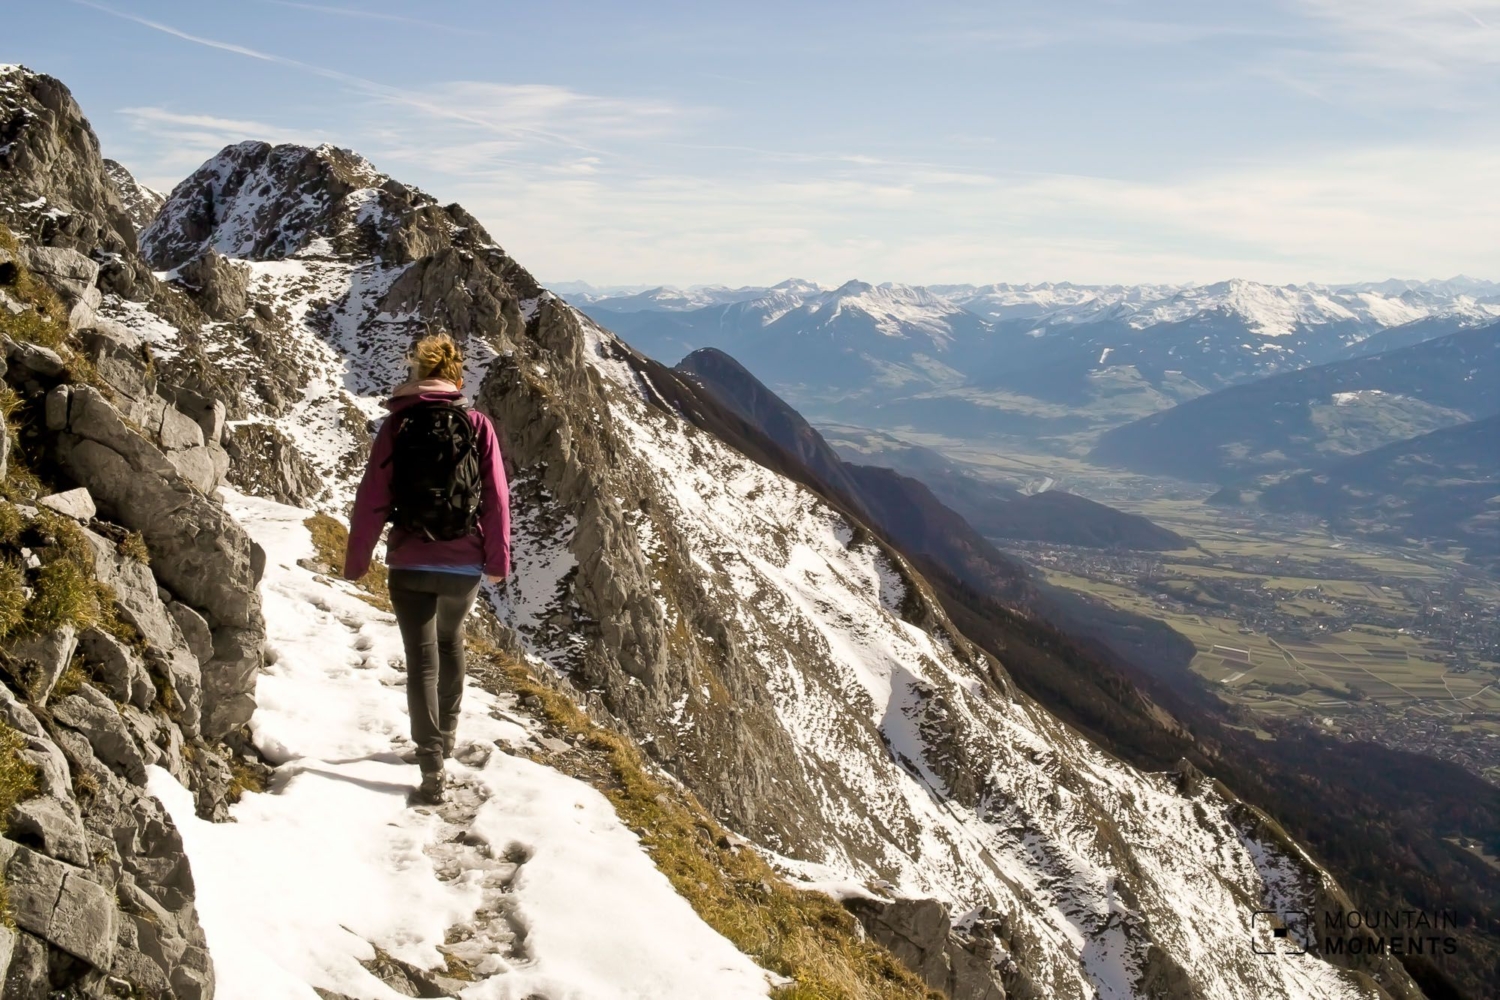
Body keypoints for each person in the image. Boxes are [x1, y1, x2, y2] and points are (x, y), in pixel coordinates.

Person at [343, 331, 511, 805]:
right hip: (463, 565)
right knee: (450, 643)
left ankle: (431, 763)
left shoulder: (396, 427)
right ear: (456, 379)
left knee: (420, 663)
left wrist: (357, 563)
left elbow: (371, 500)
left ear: (416, 379)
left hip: (409, 562)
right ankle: (449, 735)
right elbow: (497, 499)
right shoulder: (477, 425)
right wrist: (497, 559)